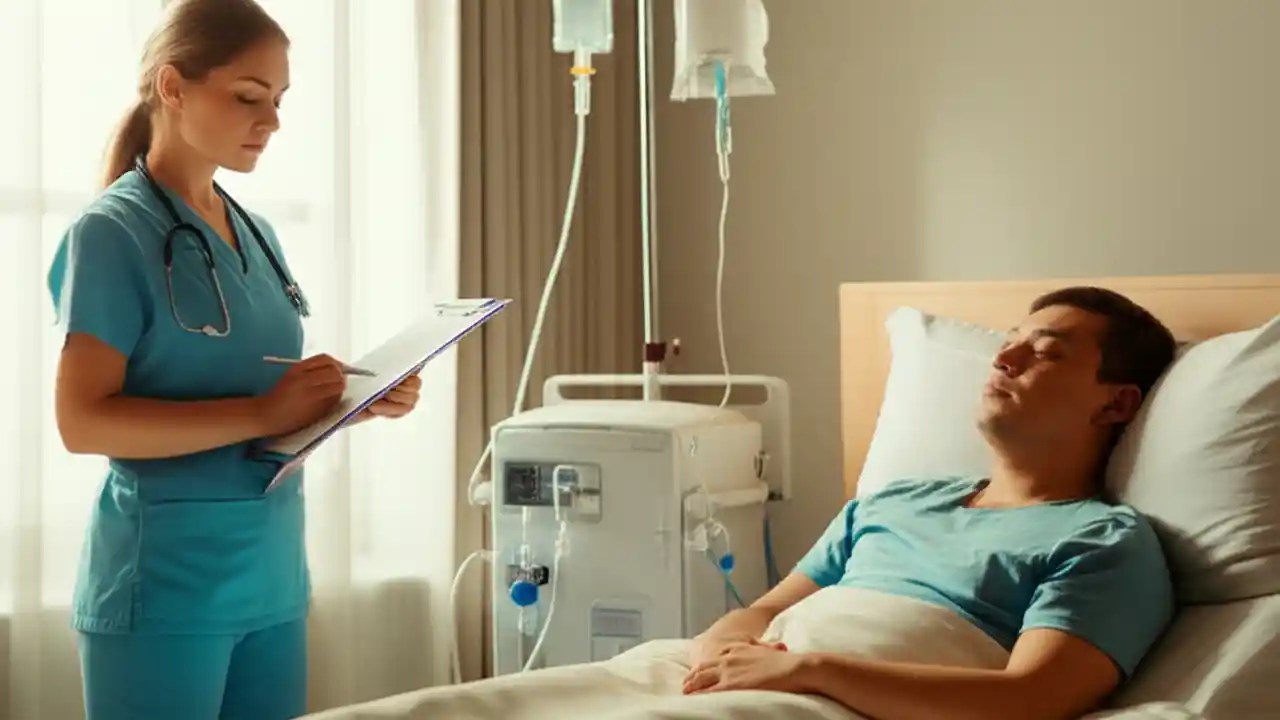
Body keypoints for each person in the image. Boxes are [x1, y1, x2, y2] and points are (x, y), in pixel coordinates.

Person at [47, 1, 421, 718]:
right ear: (172, 87)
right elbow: (83, 423)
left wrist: (345, 400)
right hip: (166, 585)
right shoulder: (112, 234)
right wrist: (262, 412)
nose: (272, 120)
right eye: (249, 97)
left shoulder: (256, 231)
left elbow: (254, 390)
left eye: (278, 101)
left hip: (270, 573)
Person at [681, 287, 1179, 720]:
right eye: (1009, 343)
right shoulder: (891, 502)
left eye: (1045, 353)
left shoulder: (1102, 541)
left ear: (1115, 404)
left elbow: (1030, 700)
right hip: (734, 685)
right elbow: (765, 610)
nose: (1005, 359)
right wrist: (722, 651)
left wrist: (808, 670)